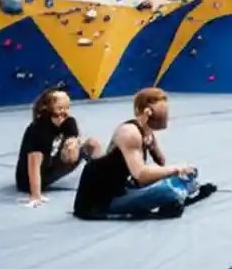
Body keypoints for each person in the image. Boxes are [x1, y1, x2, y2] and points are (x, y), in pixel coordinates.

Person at [73, 88, 216, 220]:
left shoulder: (145, 132)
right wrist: (175, 169)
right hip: (100, 200)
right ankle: (177, 194)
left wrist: (152, 143)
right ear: (147, 111)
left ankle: (179, 192)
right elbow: (141, 176)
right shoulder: (129, 132)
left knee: (188, 175)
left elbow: (161, 161)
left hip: (123, 187)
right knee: (167, 191)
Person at [16, 87, 102, 208]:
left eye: (67, 108)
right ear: (48, 109)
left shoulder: (69, 122)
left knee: (93, 144)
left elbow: (74, 139)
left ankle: (102, 181)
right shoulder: (39, 130)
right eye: (60, 108)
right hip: (33, 177)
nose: (65, 112)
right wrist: (36, 195)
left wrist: (73, 143)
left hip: (53, 162)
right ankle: (36, 190)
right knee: (68, 151)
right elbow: (33, 165)